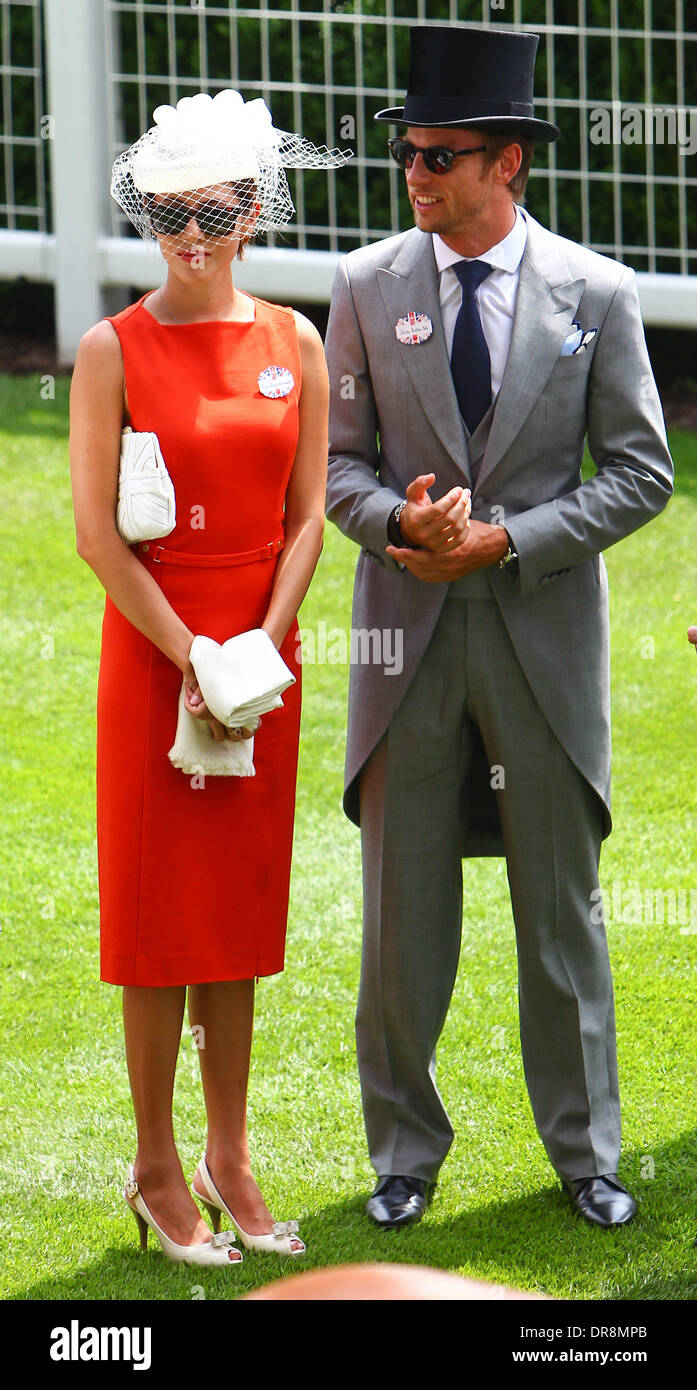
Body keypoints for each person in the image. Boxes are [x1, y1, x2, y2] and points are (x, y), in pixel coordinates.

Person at [324, 25, 673, 1231]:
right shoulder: (365, 286)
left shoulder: (601, 292)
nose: (417, 173)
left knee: (561, 914)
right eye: (408, 152)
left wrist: (509, 540)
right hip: (405, 650)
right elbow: (336, 472)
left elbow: (639, 474)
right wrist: (400, 523)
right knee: (400, 916)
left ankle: (587, 1159)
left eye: (443, 154)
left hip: (537, 641)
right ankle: (401, 1158)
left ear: (508, 163)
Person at [70, 90, 349, 1265]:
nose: (192, 232)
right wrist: (192, 654)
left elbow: (307, 520)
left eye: (216, 209)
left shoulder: (297, 342)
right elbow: (96, 534)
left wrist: (260, 646)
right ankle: (150, 1164)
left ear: (253, 211)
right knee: (158, 927)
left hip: (258, 664)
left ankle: (228, 1158)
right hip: (156, 657)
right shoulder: (107, 348)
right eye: (170, 212)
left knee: (233, 920)